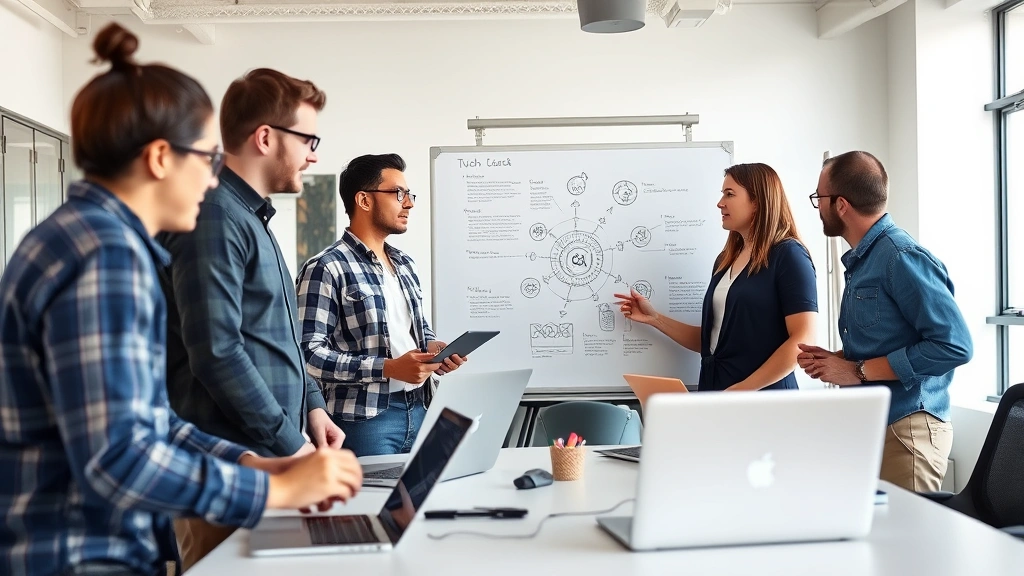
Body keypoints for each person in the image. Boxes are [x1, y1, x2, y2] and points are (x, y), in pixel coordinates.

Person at [0, 23, 362, 576]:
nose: (212, 175)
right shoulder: (105, 256)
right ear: (161, 157)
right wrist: (273, 491)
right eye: (207, 156)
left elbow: (150, 422)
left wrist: (254, 466)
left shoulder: (90, 238)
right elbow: (117, 459)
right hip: (76, 555)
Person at [155, 67, 346, 569]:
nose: (314, 153)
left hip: (269, 457)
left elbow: (275, 337)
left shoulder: (249, 217)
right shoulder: (215, 214)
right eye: (308, 138)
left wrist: (313, 407)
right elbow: (217, 353)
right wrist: (294, 447)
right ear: (265, 137)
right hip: (232, 464)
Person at [797, 151, 972, 492]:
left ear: (842, 205)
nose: (818, 206)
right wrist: (840, 360)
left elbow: (954, 346)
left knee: (906, 544)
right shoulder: (867, 259)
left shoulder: (899, 257)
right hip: (878, 426)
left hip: (908, 432)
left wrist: (856, 371)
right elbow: (891, 339)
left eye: (820, 198)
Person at [295, 153, 466, 457]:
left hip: (422, 407)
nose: (409, 203)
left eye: (409, 194)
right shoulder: (326, 267)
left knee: (414, 503)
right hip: (364, 421)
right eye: (398, 193)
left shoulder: (404, 264)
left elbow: (416, 328)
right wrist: (389, 368)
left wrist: (433, 348)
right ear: (364, 200)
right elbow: (307, 355)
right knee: (370, 505)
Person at [615, 163, 817, 391]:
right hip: (717, 393)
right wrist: (655, 318)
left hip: (763, 401)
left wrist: (742, 390)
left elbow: (803, 340)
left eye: (729, 194)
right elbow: (711, 342)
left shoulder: (788, 254)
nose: (720, 203)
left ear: (757, 202)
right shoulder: (725, 260)